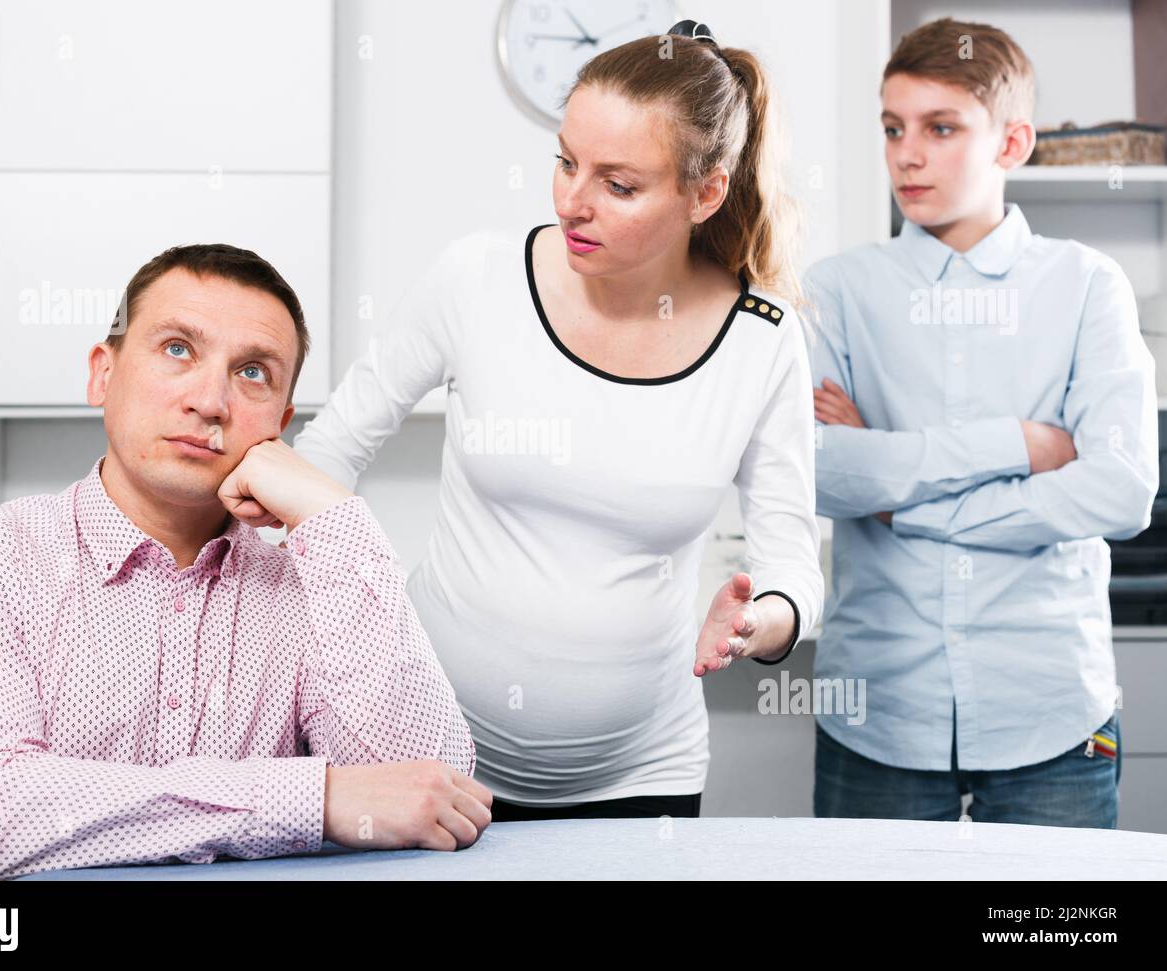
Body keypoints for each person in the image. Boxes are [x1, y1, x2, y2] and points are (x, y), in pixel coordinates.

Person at [294, 21, 824, 821]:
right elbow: (329, 452)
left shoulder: (764, 341)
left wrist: (757, 622)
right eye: (566, 162)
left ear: (704, 192)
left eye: (619, 184)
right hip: (427, 754)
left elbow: (793, 565)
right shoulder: (476, 278)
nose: (572, 202)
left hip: (643, 777)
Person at [0, 243, 490, 880]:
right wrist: (317, 799)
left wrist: (336, 521)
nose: (211, 401)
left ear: (277, 428)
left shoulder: (312, 591)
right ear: (102, 375)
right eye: (177, 349)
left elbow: (425, 797)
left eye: (253, 371)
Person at [806, 17, 1158, 826]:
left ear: (1012, 143)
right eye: (893, 127)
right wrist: (1021, 446)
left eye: (941, 127)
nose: (907, 153)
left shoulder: (1086, 286)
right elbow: (816, 471)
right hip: (879, 717)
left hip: (1054, 713)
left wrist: (897, 492)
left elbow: (1122, 488)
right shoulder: (837, 290)